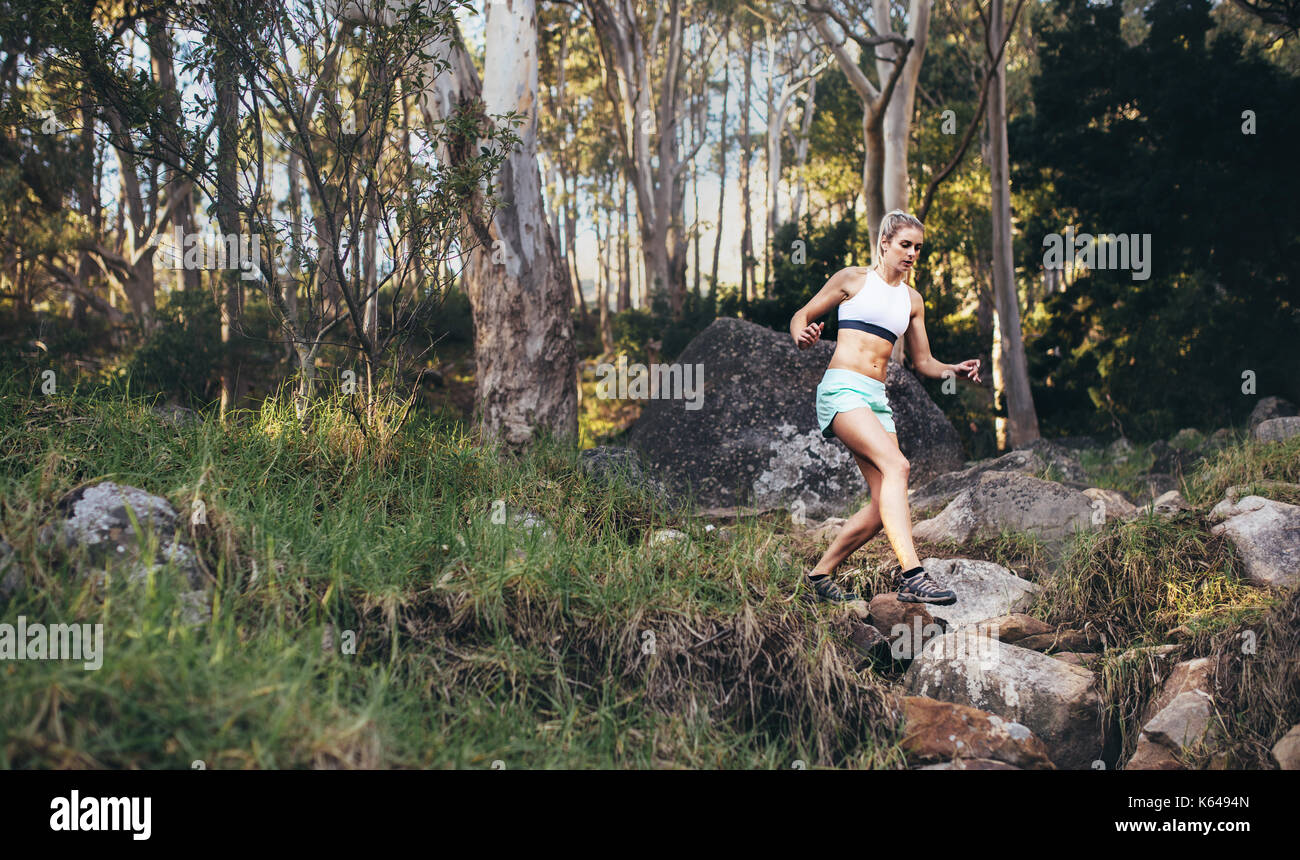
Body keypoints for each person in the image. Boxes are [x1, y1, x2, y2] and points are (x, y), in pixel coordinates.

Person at [789, 210, 982, 604]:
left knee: (881, 507)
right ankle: (913, 573)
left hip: (876, 400)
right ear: (885, 244)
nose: (912, 253)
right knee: (899, 466)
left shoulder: (912, 300)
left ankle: (819, 575)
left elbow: (924, 362)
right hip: (842, 389)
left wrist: (954, 371)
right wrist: (802, 336)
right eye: (905, 245)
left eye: (918, 248)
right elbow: (802, 315)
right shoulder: (853, 280)